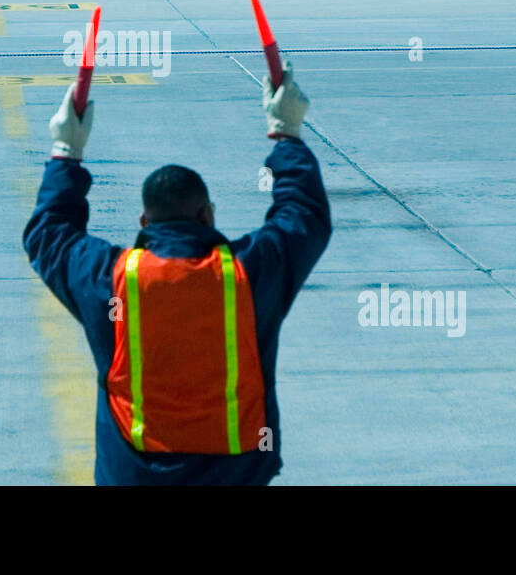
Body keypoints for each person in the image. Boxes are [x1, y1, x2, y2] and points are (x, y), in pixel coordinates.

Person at [23, 63, 332, 484]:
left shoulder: (111, 279)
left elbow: (49, 234)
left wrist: (66, 152)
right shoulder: (247, 274)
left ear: (143, 223)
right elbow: (303, 215)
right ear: (207, 215)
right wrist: (286, 132)